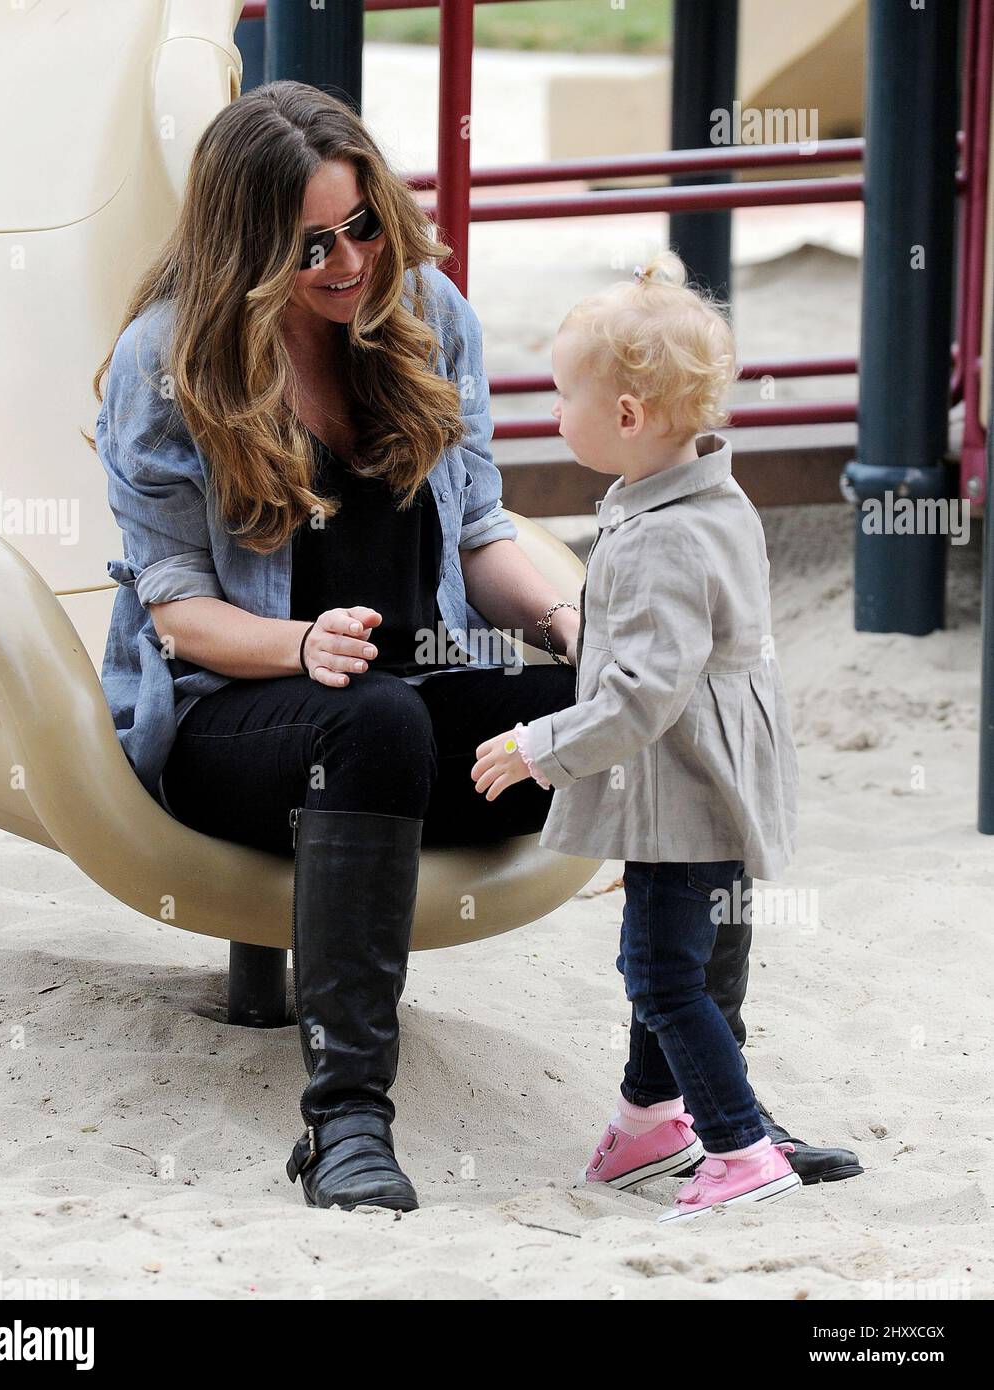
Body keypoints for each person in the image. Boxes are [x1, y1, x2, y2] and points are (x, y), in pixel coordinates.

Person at [88, 79, 857, 1215]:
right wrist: (300, 644)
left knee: (673, 715)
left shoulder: (427, 312)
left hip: (406, 704)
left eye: (365, 225)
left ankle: (701, 1109)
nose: (350, 261)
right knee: (375, 718)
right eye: (311, 246)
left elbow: (485, 531)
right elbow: (178, 611)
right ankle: (345, 1118)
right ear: (246, 250)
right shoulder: (172, 363)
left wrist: (567, 621)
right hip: (235, 714)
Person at [472, 252, 858, 1222]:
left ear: (629, 417)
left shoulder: (660, 538)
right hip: (713, 784)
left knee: (658, 970)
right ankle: (647, 1124)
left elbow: (643, 695)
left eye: (566, 395)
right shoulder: (710, 500)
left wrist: (535, 746)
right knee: (678, 961)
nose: (555, 411)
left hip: (682, 794)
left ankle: (733, 1145)